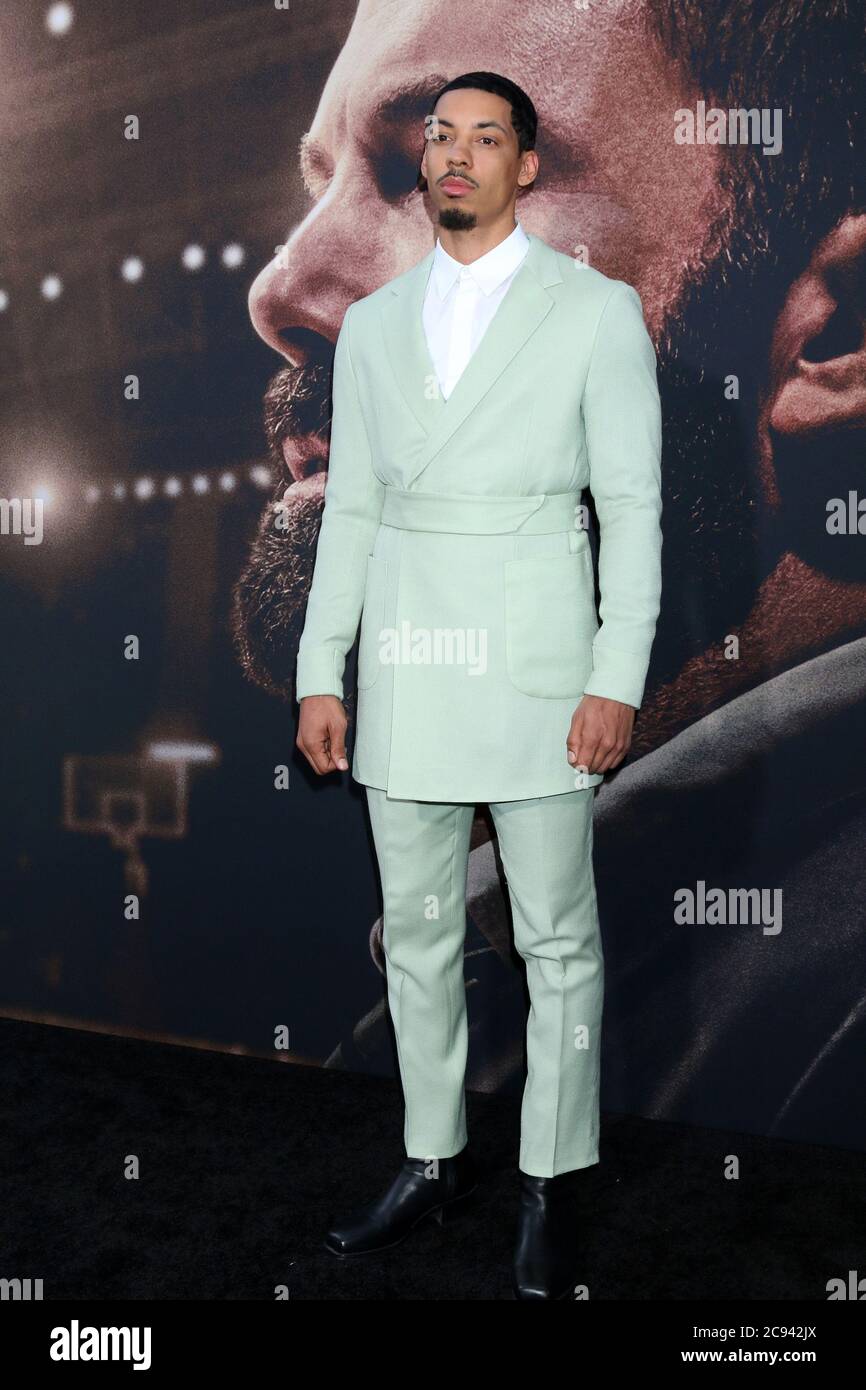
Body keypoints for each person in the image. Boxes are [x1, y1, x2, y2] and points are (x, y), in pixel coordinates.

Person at [293, 71, 663, 1300]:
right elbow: (348, 513)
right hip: (402, 669)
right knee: (418, 936)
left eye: (483, 137)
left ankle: (554, 1180)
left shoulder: (594, 313)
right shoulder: (378, 324)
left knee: (556, 943)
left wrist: (616, 675)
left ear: (526, 168)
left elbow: (632, 513)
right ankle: (430, 1155)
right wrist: (319, 671)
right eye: (440, 136)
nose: (454, 155)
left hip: (538, 673)